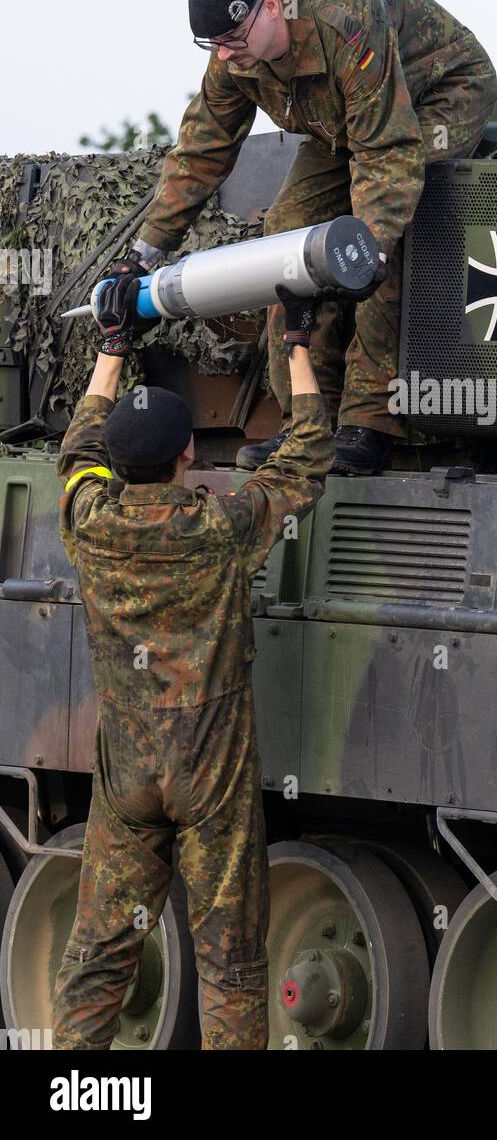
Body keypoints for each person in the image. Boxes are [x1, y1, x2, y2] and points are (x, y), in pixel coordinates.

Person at [52, 269, 334, 1049]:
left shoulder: (89, 522)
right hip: (212, 784)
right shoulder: (220, 528)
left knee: (100, 952)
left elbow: (76, 449)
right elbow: (306, 455)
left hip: (128, 780)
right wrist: (299, 343)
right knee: (233, 967)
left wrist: (114, 345)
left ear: (118, 463)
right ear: (188, 454)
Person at [107, 0, 497, 475]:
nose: (223, 57)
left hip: (436, 95)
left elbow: (385, 152)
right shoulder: (234, 46)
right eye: (212, 45)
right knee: (288, 236)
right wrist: (143, 254)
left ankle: (369, 423)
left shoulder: (344, 14)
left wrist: (371, 247)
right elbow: (203, 147)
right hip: (344, 121)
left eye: (232, 40)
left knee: (373, 238)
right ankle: (308, 420)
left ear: (271, 6)